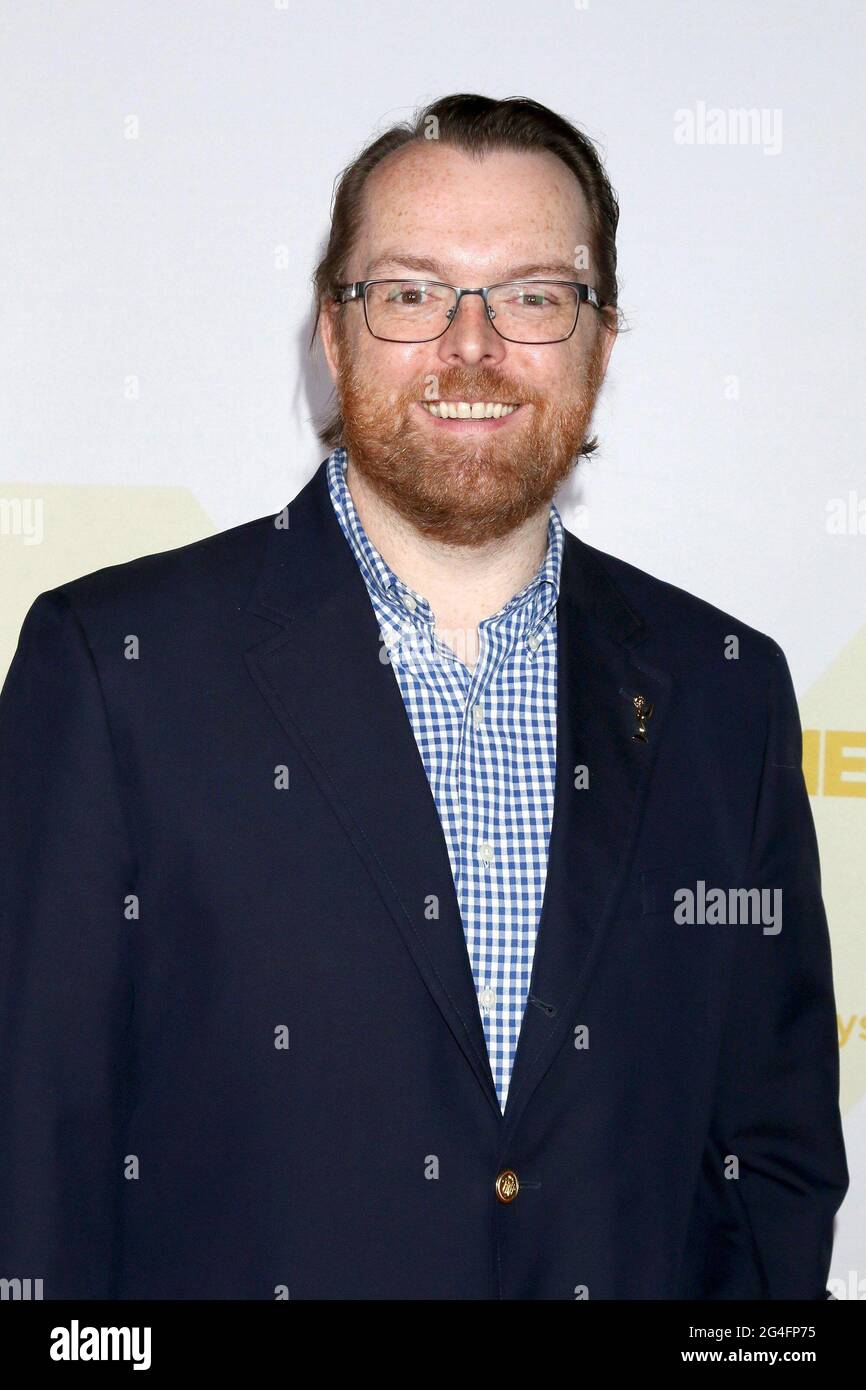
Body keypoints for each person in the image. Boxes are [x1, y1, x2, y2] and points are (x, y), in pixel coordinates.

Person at [0, 93, 847, 1300]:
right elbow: (35, 1150)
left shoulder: (725, 693)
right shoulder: (115, 667)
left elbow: (769, 1156)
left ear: (600, 344)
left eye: (532, 297)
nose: (470, 345)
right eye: (409, 292)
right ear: (332, 335)